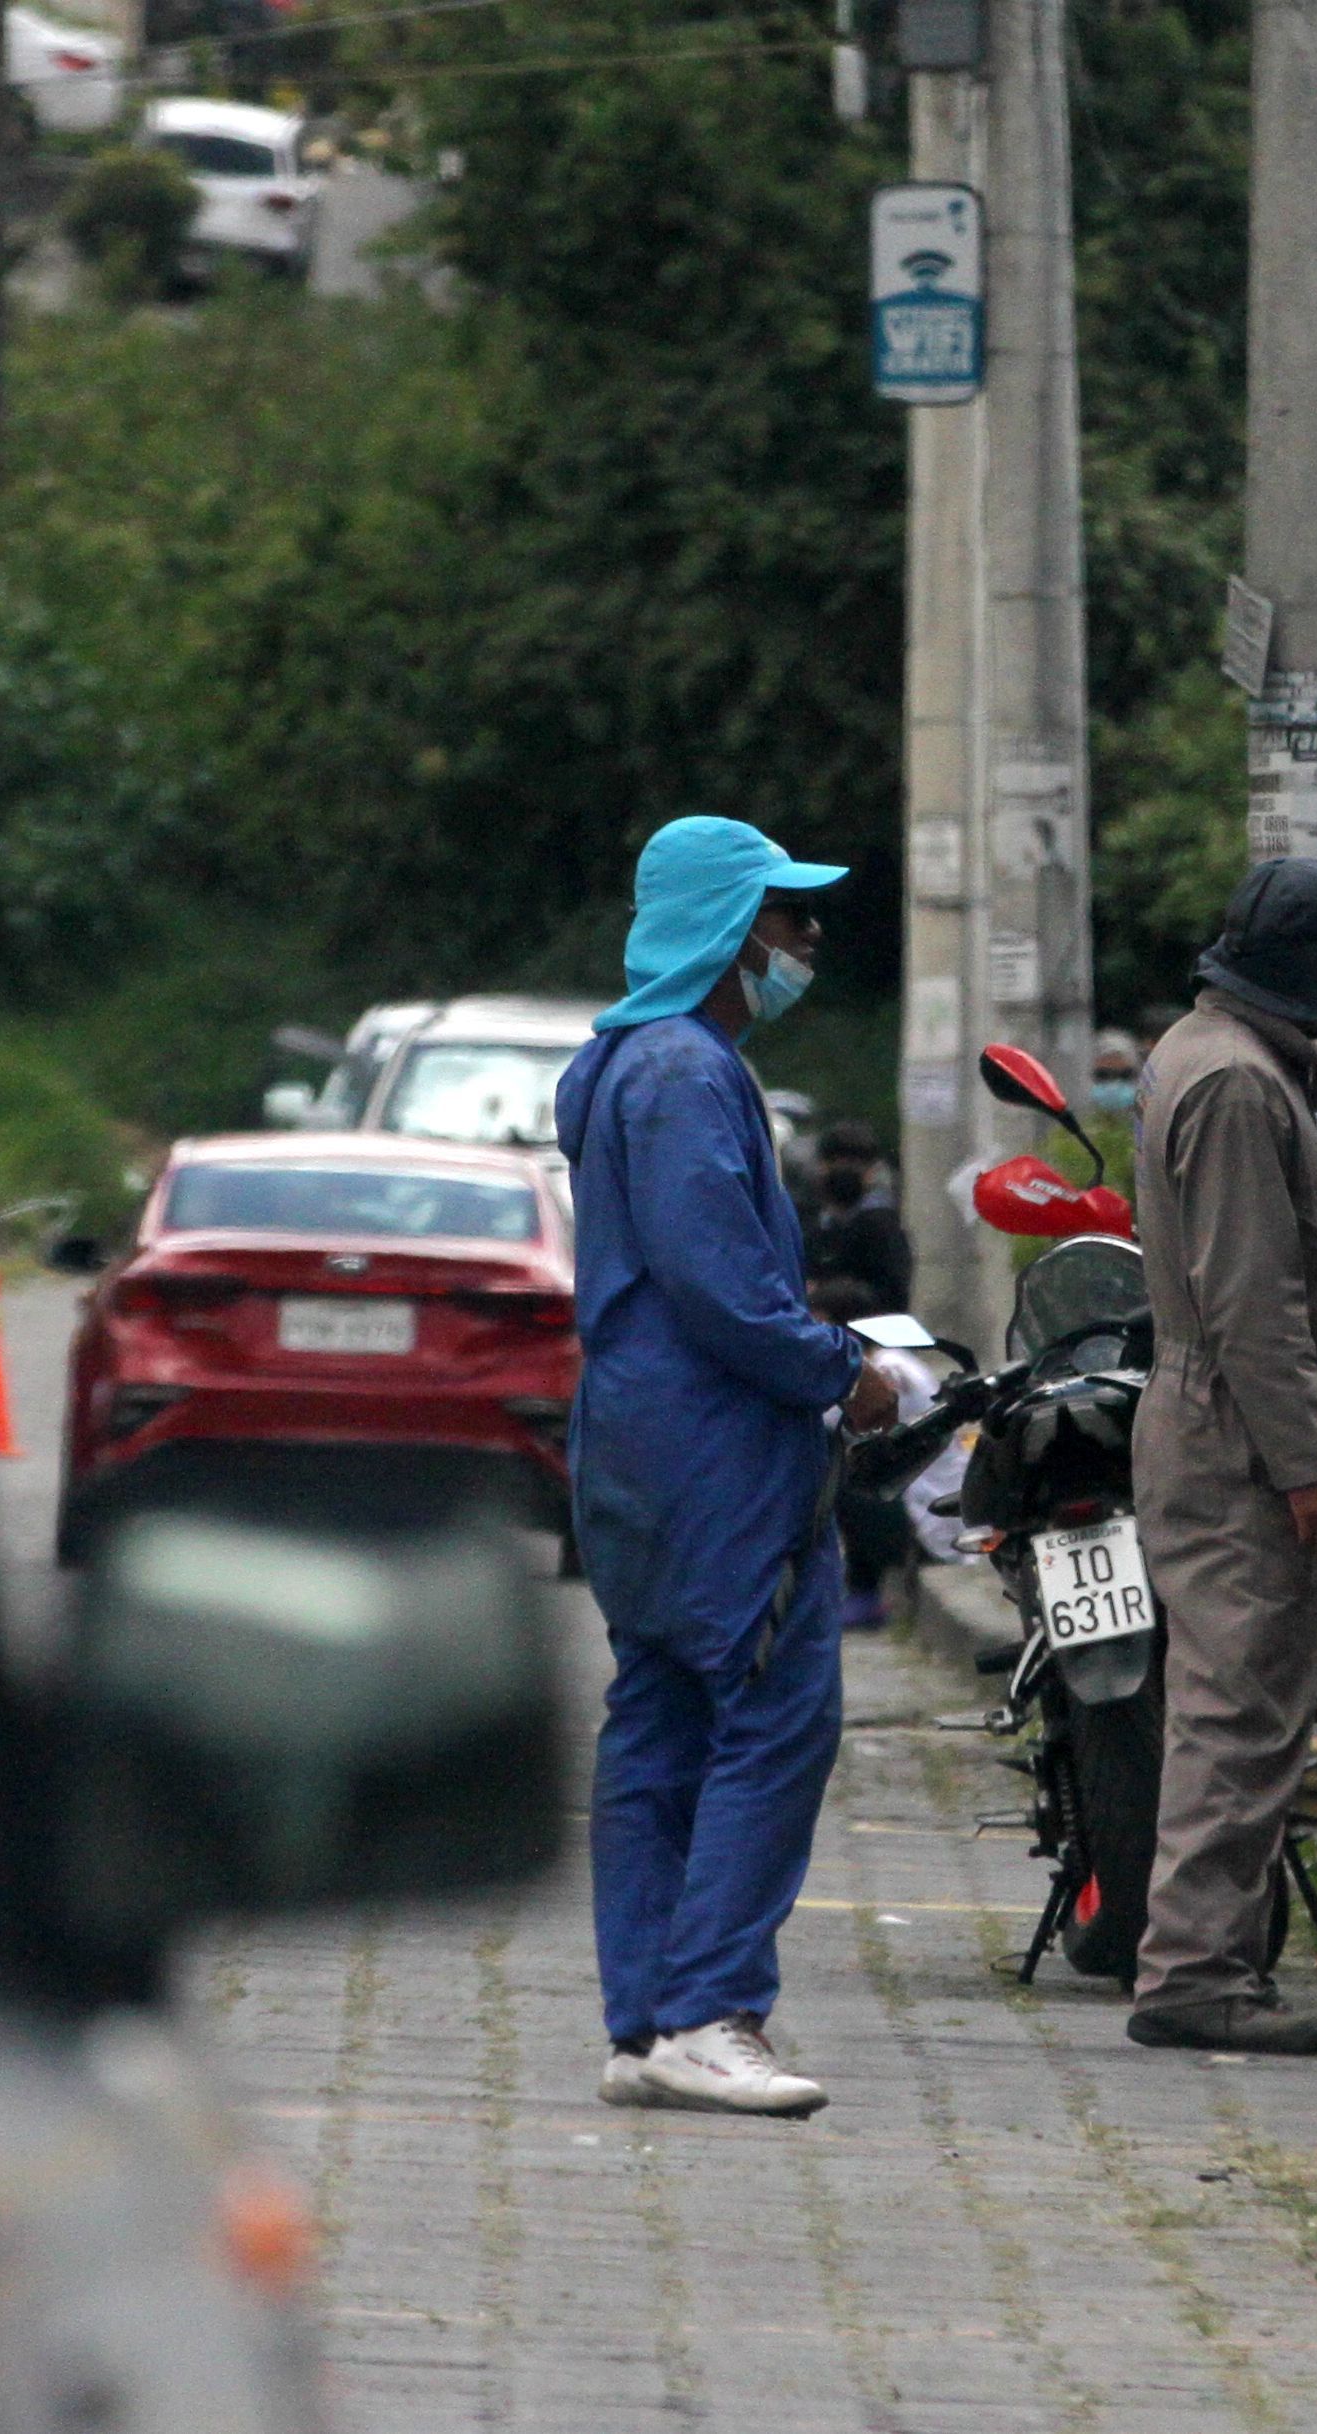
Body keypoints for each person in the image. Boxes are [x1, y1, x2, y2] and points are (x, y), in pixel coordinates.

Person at [553, 816, 903, 2120]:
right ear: (724, 925)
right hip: (715, 1453)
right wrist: (840, 1367)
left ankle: (645, 2020)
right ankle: (709, 2009)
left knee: (657, 1716)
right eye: (786, 915)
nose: (808, 939)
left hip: (633, 1439)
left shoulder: (617, 1063)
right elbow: (723, 1286)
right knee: (770, 1719)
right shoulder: (689, 1073)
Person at [1125, 859, 1317, 2054]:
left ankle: (1208, 1957)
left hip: (1211, 1419)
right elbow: (1252, 1304)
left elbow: (1285, 1078)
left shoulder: (1208, 1050)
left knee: (1231, 1702)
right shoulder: (1239, 1090)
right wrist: (1309, 1470)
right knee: (1238, 1710)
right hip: (1239, 1434)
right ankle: (1196, 1973)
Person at [797, 1117, 912, 1314]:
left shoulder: (881, 1227)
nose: (844, 1169)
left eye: (855, 1162)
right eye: (835, 1160)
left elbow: (892, 1297)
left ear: (872, 1171)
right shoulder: (809, 1225)